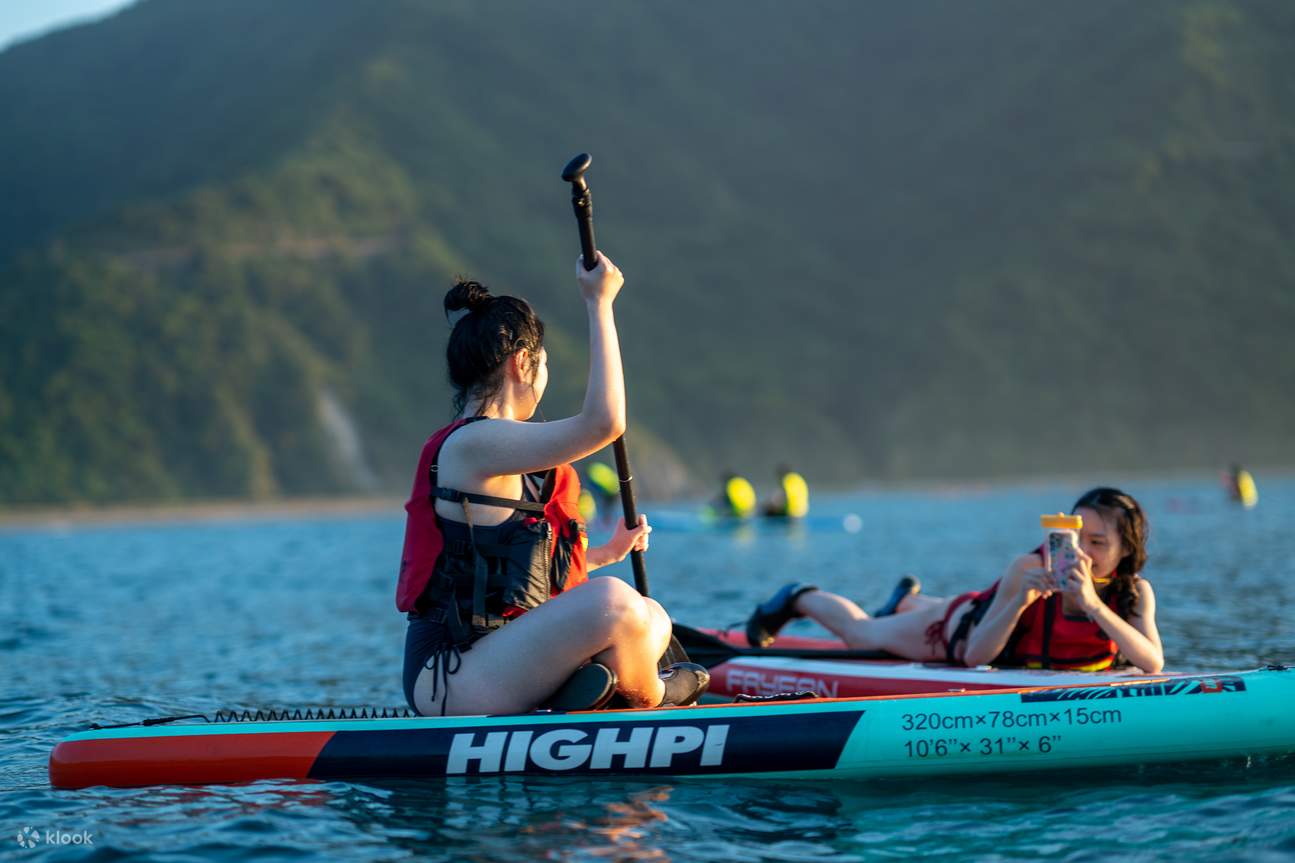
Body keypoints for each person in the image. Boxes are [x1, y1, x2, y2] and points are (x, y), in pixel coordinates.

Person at [397, 254, 709, 716]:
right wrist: (599, 303)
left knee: (654, 618)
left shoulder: (506, 451)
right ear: (522, 363)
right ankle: (654, 697)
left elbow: (519, 573)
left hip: (504, 659)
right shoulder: (472, 444)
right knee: (616, 604)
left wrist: (605, 553)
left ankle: (593, 693)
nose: (543, 379)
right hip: (452, 675)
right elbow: (605, 423)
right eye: (543, 365)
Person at [745, 487, 1164, 673]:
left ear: (1125, 550)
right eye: (1076, 538)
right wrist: (1021, 600)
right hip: (956, 631)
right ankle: (800, 595)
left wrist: (1092, 605)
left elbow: (1152, 662)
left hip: (976, 612)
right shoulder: (1028, 570)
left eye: (1098, 543)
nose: (1083, 554)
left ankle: (907, 601)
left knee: (892, 620)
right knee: (861, 634)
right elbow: (975, 656)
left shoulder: (1133, 593)